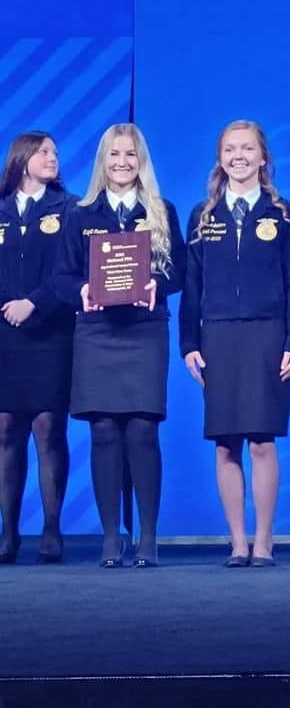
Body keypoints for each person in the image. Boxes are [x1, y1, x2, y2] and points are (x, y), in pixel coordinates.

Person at [55, 123, 185, 568]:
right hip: (97, 333)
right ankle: (112, 536)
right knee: (105, 430)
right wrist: (83, 293)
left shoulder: (162, 211)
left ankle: (148, 536)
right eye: (114, 155)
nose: (122, 163)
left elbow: (180, 274)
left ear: (141, 160)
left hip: (145, 331)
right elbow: (61, 278)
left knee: (143, 430)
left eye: (130, 155)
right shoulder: (81, 214)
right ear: (102, 162)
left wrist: (155, 285)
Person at [180, 120, 290, 568]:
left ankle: (265, 542)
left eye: (248, 149)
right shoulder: (203, 216)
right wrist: (189, 342)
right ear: (220, 159)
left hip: (268, 334)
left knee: (261, 440)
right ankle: (237, 542)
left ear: (263, 157)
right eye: (231, 149)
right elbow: (192, 284)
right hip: (218, 335)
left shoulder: (284, 214)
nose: (239, 156)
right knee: (225, 443)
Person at [0, 132, 78, 563]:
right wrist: (9, 305)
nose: (52, 157)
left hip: (51, 331)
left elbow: (72, 271)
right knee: (7, 429)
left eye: (54, 152)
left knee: (49, 429)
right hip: (4, 333)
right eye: (44, 151)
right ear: (22, 158)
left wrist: (35, 303)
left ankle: (52, 530)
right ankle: (8, 533)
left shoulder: (69, 209)